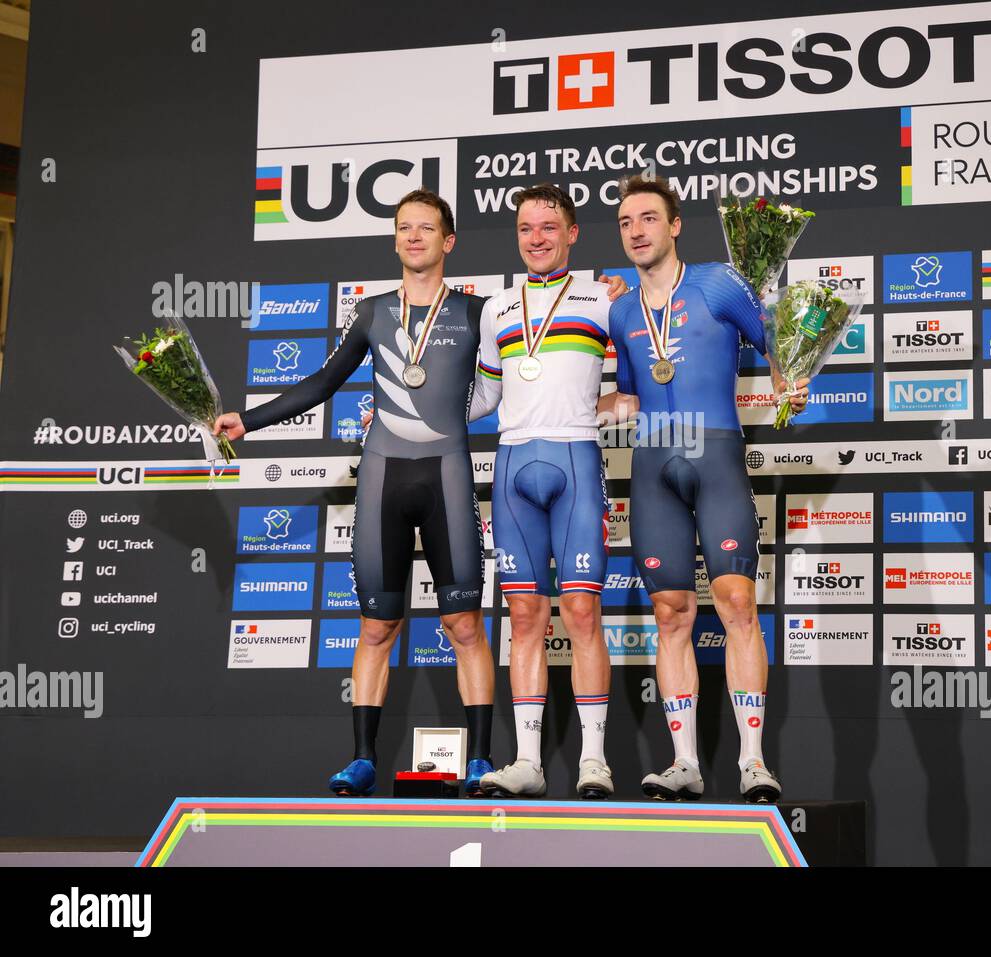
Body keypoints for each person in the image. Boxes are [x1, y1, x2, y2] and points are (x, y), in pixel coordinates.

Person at [213, 188, 498, 797]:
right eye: (404, 228)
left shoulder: (479, 314)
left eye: (426, 228)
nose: (414, 237)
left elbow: (530, 365)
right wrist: (251, 420)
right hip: (382, 481)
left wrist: (607, 301)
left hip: (446, 476)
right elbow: (322, 382)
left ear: (449, 242)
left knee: (465, 625)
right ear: (395, 240)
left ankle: (481, 759)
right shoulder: (371, 313)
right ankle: (362, 758)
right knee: (375, 628)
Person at [605, 176, 807, 802]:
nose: (636, 230)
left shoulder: (719, 282)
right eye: (625, 222)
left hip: (715, 453)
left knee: (737, 603)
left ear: (674, 225)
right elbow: (638, 389)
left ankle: (753, 762)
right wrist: (607, 401)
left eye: (647, 218)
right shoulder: (620, 308)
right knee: (671, 614)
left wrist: (788, 380)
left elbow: (777, 338)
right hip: (654, 461)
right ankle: (684, 762)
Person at [466, 183, 634, 799]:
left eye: (548, 227)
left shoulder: (605, 298)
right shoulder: (496, 310)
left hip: (576, 459)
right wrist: (417, 415)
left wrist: (617, 407)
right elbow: (484, 396)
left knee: (584, 612)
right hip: (513, 466)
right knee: (525, 616)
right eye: (526, 229)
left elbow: (640, 379)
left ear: (571, 233)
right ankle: (528, 763)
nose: (536, 239)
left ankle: (594, 761)